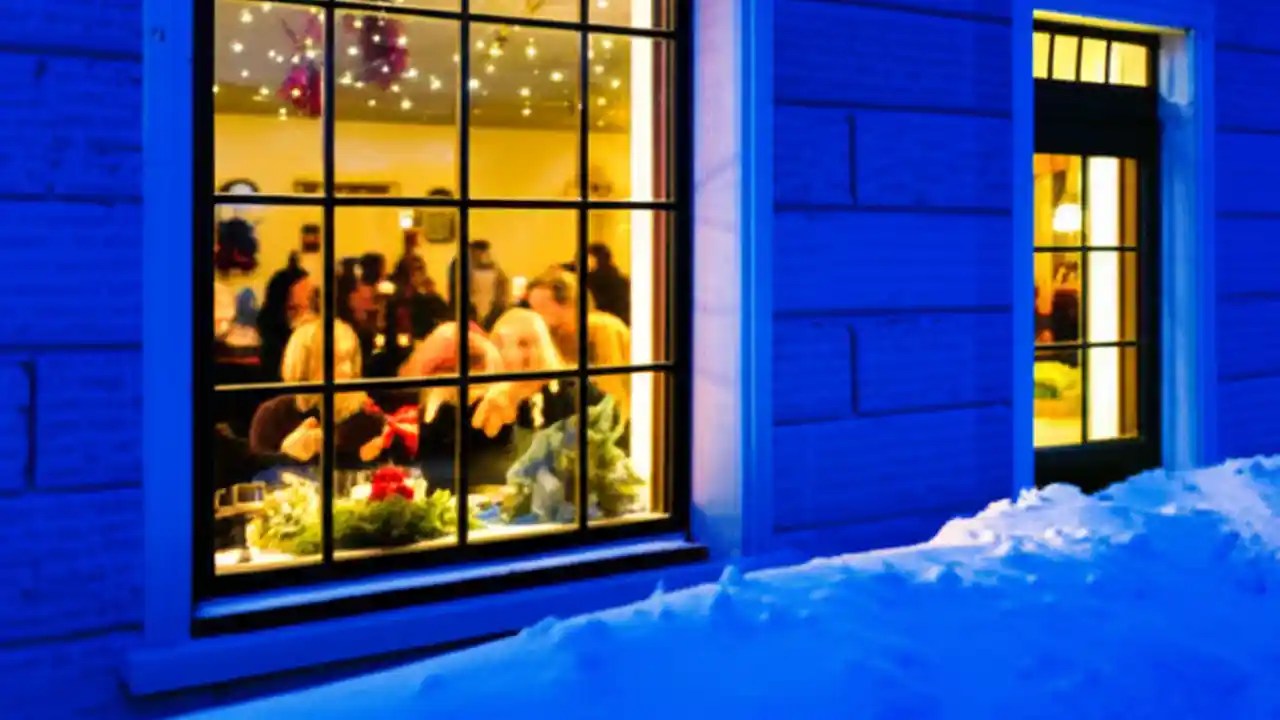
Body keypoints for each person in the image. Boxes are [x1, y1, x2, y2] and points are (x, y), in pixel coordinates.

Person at [524, 266, 632, 420]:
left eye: (541, 307)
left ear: (568, 303)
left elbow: (612, 388)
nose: (536, 315)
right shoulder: (552, 335)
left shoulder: (602, 327)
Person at [448, 240, 511, 331]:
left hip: (484, 311)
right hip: (468, 311)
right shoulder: (460, 264)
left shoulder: (495, 271)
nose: (482, 256)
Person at [586, 243, 631, 325]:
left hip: (606, 323)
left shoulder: (594, 279)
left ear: (594, 259)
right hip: (621, 323)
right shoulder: (618, 277)